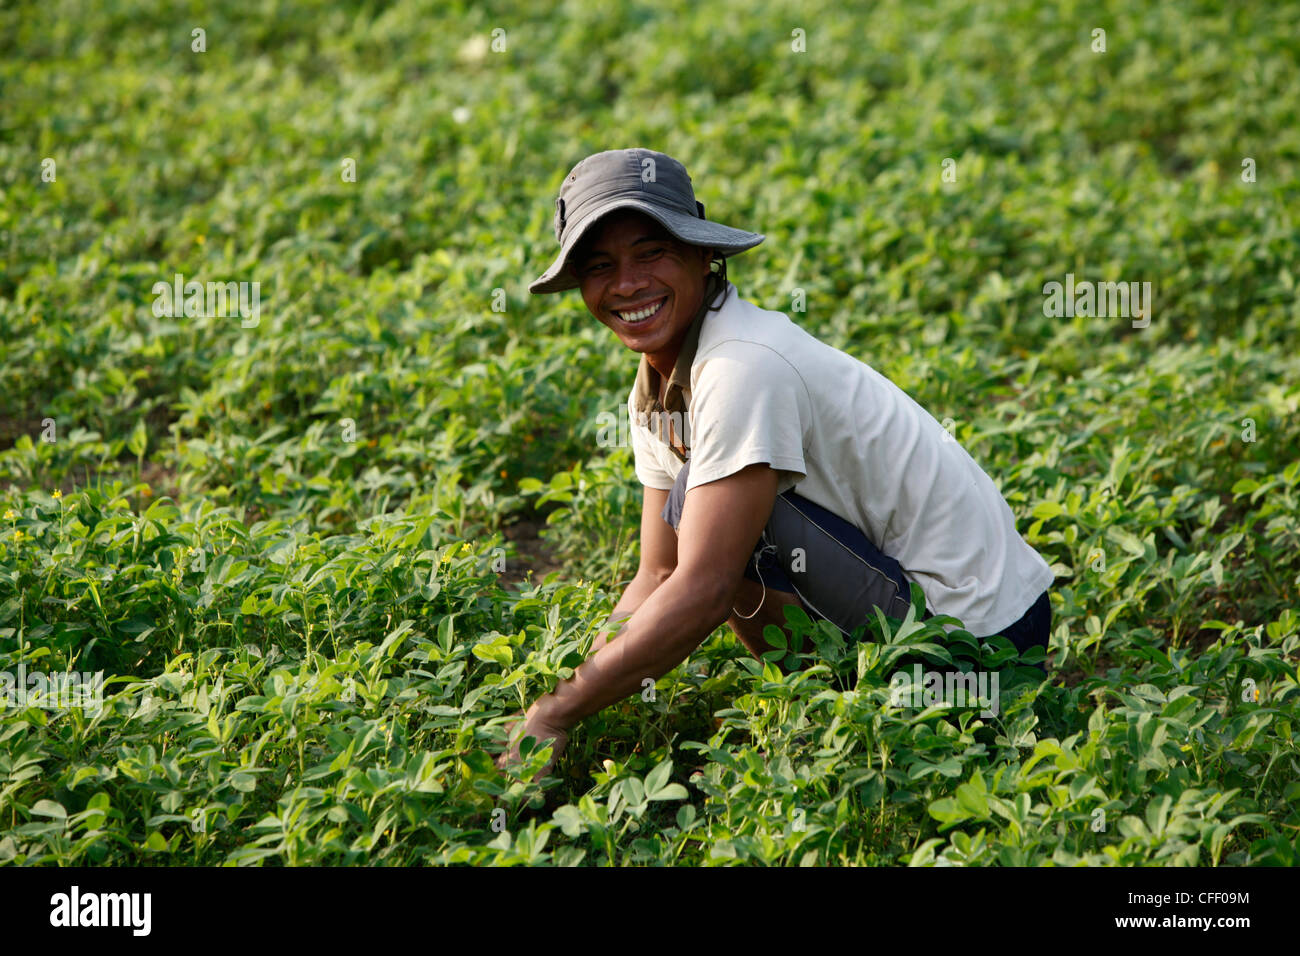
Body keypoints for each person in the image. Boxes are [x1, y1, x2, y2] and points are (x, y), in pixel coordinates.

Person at [496, 147, 1055, 776]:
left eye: (651, 252)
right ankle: (819, 711)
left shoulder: (743, 366)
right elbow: (656, 573)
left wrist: (556, 713)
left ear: (702, 254)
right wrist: (562, 691)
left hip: (983, 652)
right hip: (922, 612)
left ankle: (826, 726)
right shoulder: (658, 387)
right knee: (701, 508)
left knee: (706, 513)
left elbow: (702, 588)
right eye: (600, 266)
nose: (627, 284)